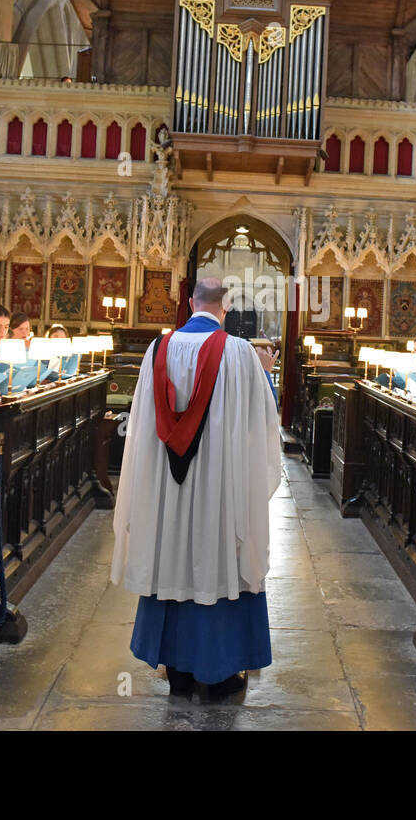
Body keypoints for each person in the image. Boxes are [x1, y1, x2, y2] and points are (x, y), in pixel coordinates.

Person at [112, 277, 282, 700]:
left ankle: (177, 670)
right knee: (217, 557)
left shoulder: (158, 349)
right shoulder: (241, 354)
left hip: (169, 486)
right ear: (225, 308)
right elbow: (264, 424)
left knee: (171, 553)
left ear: (190, 303)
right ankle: (219, 670)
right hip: (218, 485)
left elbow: (141, 425)